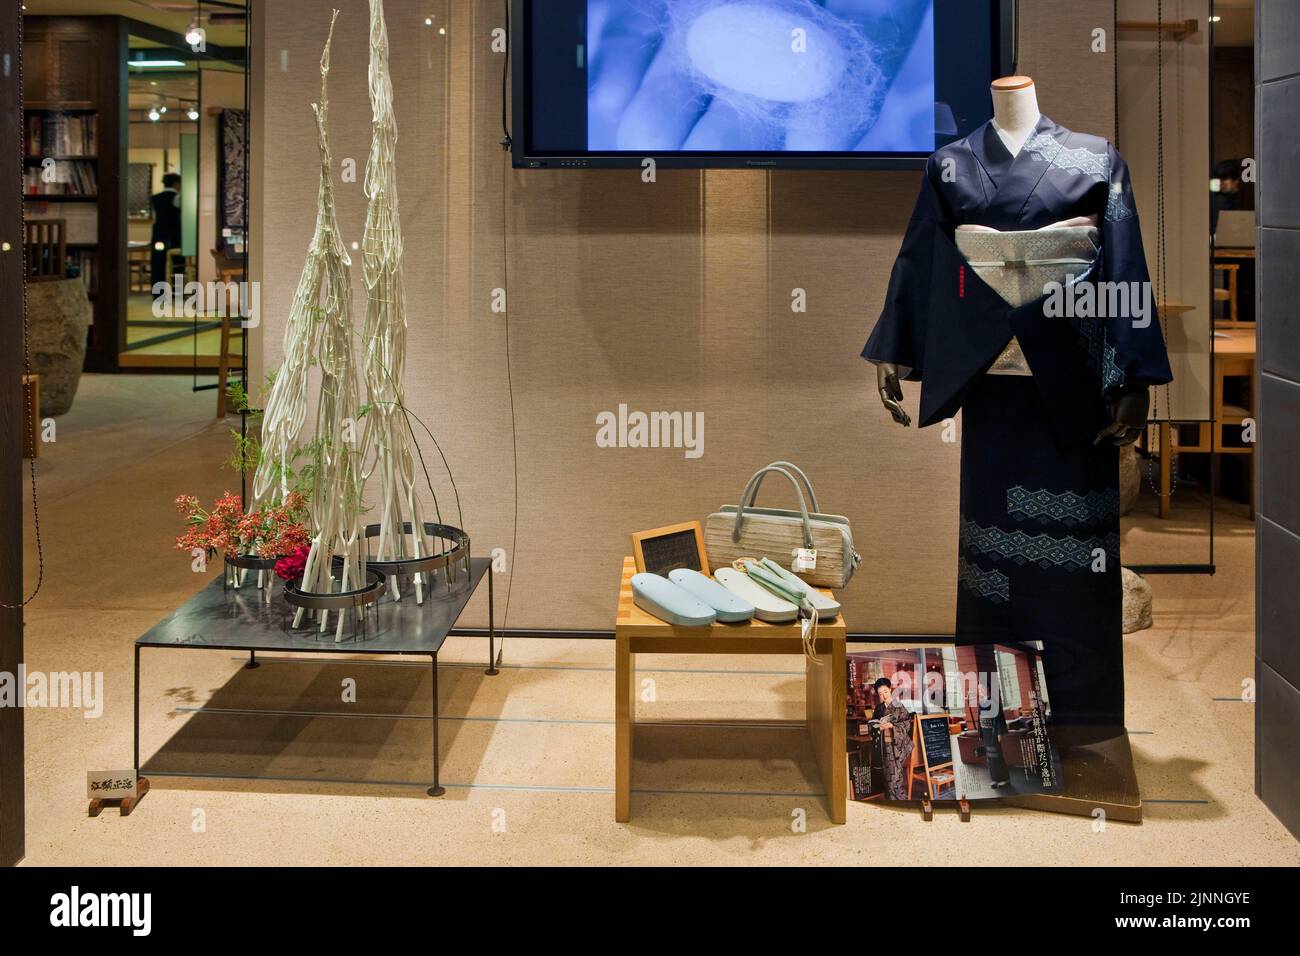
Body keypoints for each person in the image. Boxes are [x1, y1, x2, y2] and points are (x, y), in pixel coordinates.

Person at [871, 676, 915, 800]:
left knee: (894, 779)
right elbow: (873, 724)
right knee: (886, 778)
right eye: (880, 694)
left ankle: (902, 802)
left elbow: (907, 724)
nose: (883, 696)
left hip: (895, 747)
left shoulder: (898, 706)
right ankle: (891, 801)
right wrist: (876, 727)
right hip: (882, 746)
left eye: (885, 692)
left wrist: (891, 726)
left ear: (890, 689)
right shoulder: (879, 708)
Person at [150, 172, 182, 287]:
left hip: (158, 234)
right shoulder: (178, 198)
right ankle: (177, 290)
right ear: (176, 184)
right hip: (175, 235)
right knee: (178, 263)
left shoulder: (155, 198)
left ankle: (157, 291)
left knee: (158, 263)